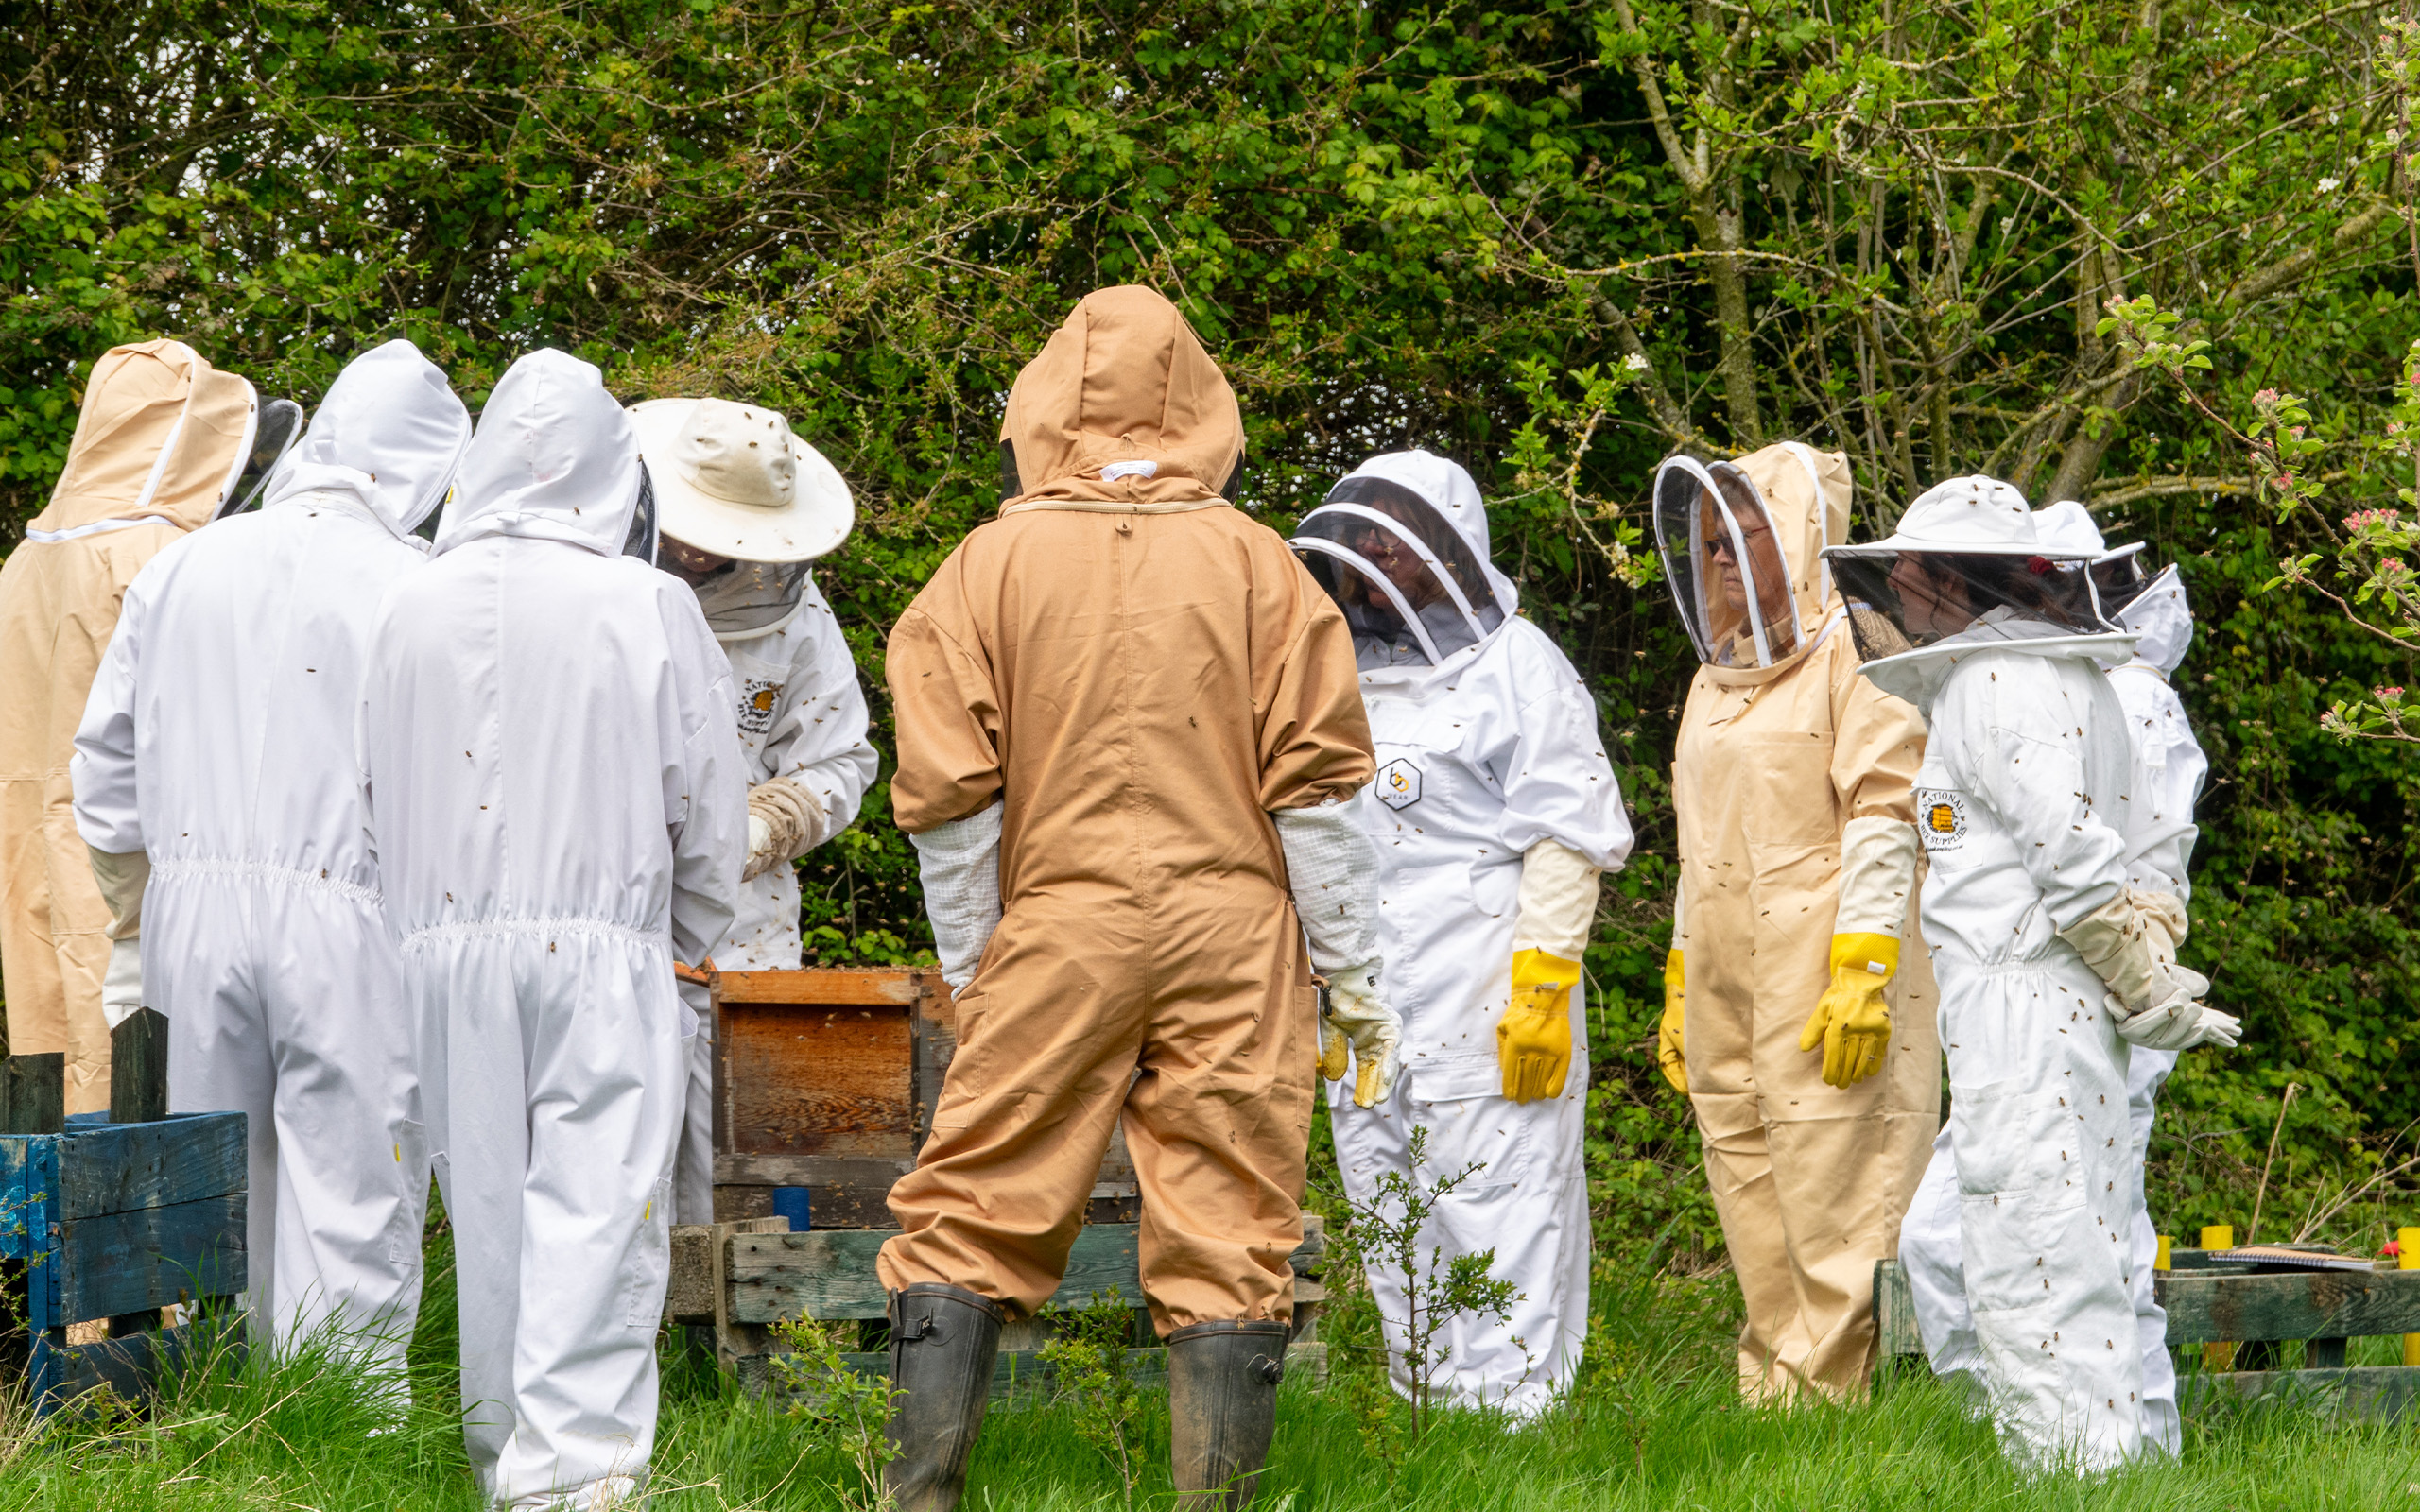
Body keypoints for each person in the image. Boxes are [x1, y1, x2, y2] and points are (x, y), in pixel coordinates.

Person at [877, 285, 1390, 1512]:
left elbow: (950, 800)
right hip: (1236, 931)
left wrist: (975, 962)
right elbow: (1317, 797)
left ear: (1046, 403)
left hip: (1055, 925)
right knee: (1231, 1231)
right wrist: (1357, 973)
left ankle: (918, 1498)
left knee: (971, 1200)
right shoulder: (1263, 566)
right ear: (1202, 405)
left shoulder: (984, 566)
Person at [358, 349, 742, 1510]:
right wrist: (685, 931)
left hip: (441, 955)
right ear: (611, 472)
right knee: (596, 1212)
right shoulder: (647, 601)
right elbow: (707, 803)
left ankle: (503, 1468)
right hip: (601, 946)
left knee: (488, 1218)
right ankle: (575, 1483)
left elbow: (370, 795)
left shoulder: (405, 600)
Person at [71, 340, 467, 1383]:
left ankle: (220, 1408)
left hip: (188, 911)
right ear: (424, 467)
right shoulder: (418, 584)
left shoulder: (187, 561)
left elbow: (104, 765)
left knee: (213, 1184)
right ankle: (340, 1427)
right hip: (354, 913)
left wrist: (138, 908)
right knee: (352, 1184)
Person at [1824, 475, 2238, 1473]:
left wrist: (2147, 985)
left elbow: (2079, 866)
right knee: (2072, 1247)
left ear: (1950, 575)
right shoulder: (2064, 675)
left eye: (1911, 569)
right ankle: (2112, 1475)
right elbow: (2121, 858)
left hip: (2024, 1004)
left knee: (2032, 1255)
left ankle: (2072, 1477)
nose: (1900, 590)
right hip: (2041, 1005)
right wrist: (2147, 984)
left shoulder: (1995, 683)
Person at [1287, 450, 1632, 1416]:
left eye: (1394, 539)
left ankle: (1515, 1431)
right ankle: (1433, 1419)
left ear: (1448, 546)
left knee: (1502, 1205)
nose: (1369, 557)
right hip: (1364, 1007)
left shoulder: (1518, 663)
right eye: (1358, 540)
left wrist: (1542, 985)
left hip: (1489, 996)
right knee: (1390, 1206)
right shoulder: (1332, 677)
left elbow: (1569, 833)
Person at [1645, 444, 1938, 1402]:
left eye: (1746, 530)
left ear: (1804, 537)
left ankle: (1841, 1411)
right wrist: (1683, 965)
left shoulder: (1862, 652)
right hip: (1730, 975)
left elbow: (1886, 812)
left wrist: (1862, 969)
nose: (1722, 552)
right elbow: (1701, 841)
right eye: (1711, 534)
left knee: (1836, 1187)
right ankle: (1772, 1398)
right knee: (1747, 1180)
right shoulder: (1713, 677)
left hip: (1827, 973)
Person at [629, 396, 877, 1226]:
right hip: (605, 925)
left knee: (753, 1181)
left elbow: (842, 756)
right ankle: (636, 1349)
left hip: (746, 932)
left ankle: (740, 1355)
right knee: (616, 1165)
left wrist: (760, 828)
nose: (699, 553)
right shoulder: (592, 594)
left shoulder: (797, 620)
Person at [1, 339, 260, 1113]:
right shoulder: (158, 554)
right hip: (134, 857)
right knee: (138, 1077)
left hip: (30, 857)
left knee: (53, 1045)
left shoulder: (21, 563)